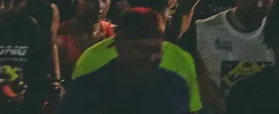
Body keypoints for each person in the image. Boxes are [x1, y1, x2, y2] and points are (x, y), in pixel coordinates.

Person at [59, 8, 190, 114]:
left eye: (156, 50)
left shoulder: (175, 87)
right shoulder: (86, 92)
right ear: (120, 45)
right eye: (141, 49)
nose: (150, 58)